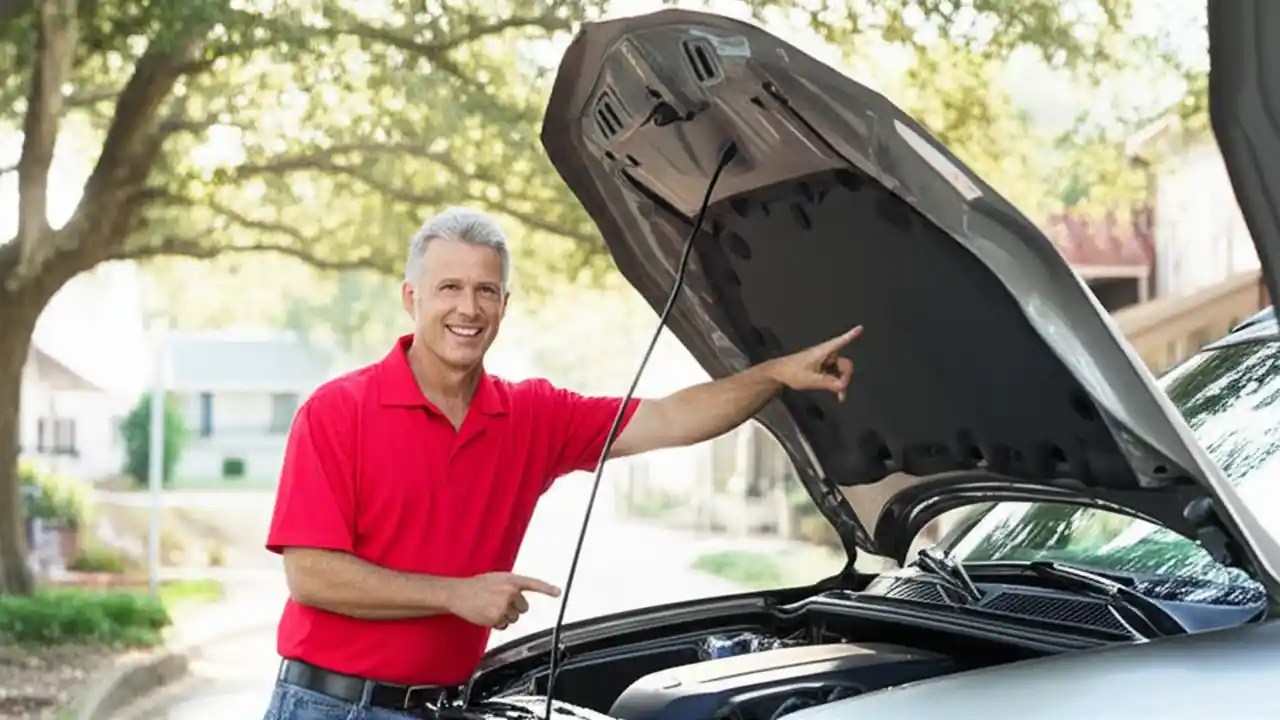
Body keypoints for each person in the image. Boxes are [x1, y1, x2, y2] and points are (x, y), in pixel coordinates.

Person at [262, 207, 863, 719]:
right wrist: (456, 596)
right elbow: (311, 576)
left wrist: (776, 375)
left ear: (504, 303)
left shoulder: (531, 416)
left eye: (486, 290)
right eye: (449, 288)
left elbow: (670, 417)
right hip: (333, 706)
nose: (468, 308)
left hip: (449, 703)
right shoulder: (339, 411)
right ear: (411, 297)